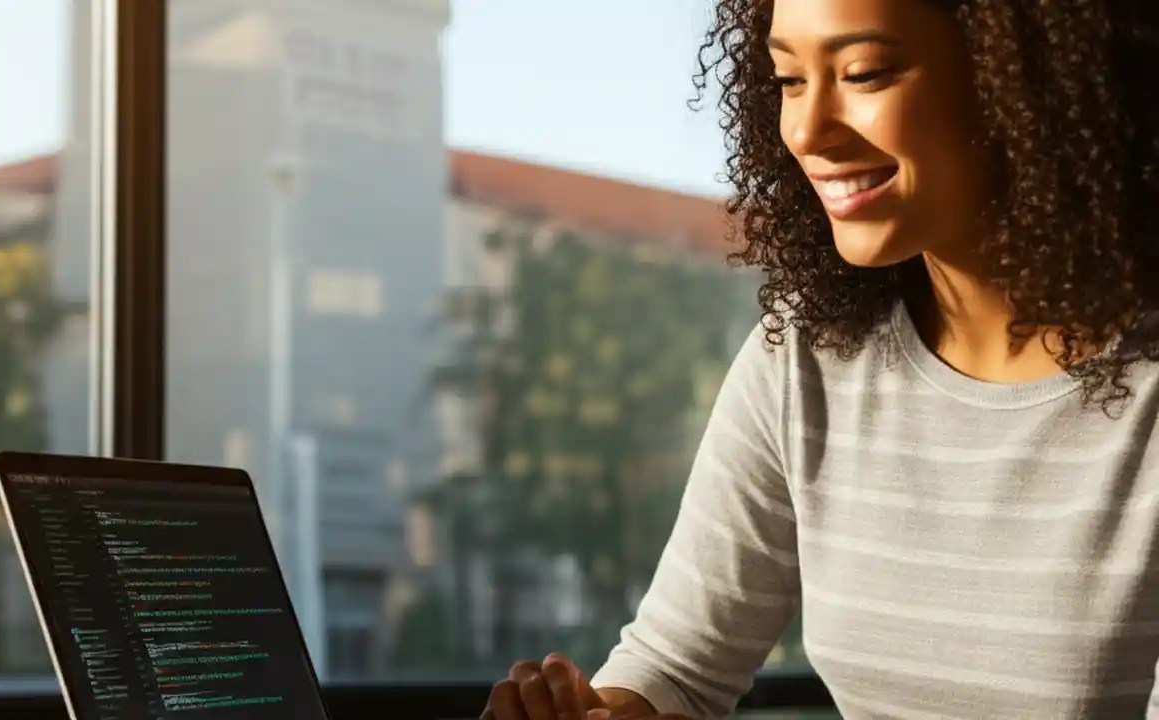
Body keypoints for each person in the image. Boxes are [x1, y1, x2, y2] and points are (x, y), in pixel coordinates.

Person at [481, 0, 1159, 717]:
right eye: (789, 79)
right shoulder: (808, 357)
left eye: (864, 73)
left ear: (1019, 77)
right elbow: (677, 667)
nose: (805, 131)